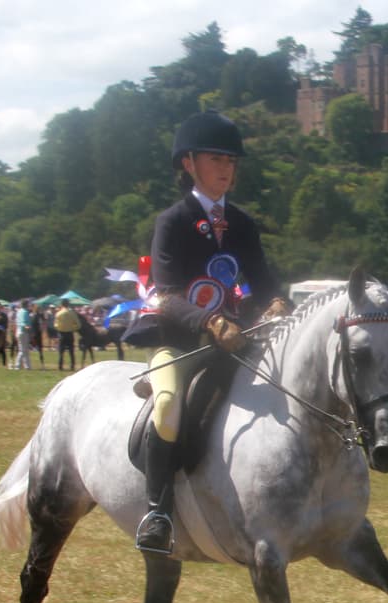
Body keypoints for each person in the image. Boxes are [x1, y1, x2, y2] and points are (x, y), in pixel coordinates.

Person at [122, 110, 289, 555]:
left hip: (237, 344)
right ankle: (157, 512)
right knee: (168, 407)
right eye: (216, 159)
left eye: (231, 162)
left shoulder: (242, 224)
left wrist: (274, 303)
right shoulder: (172, 222)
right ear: (189, 164)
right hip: (180, 343)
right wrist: (212, 321)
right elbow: (166, 293)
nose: (226, 169)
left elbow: (263, 283)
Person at [53, 299, 80, 371]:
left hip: (62, 334)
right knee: (71, 351)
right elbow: (78, 325)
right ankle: (72, 365)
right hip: (70, 333)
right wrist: (72, 328)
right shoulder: (72, 313)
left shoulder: (58, 313)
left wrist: (60, 328)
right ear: (68, 304)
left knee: (61, 351)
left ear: (61, 304)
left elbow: (55, 325)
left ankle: (60, 366)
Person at [13, 299, 33, 371]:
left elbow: (17, 321)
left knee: (23, 350)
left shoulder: (18, 312)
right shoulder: (25, 312)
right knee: (24, 350)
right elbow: (23, 322)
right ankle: (20, 365)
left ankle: (23, 365)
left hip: (18, 331)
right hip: (23, 331)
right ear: (26, 305)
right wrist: (26, 326)